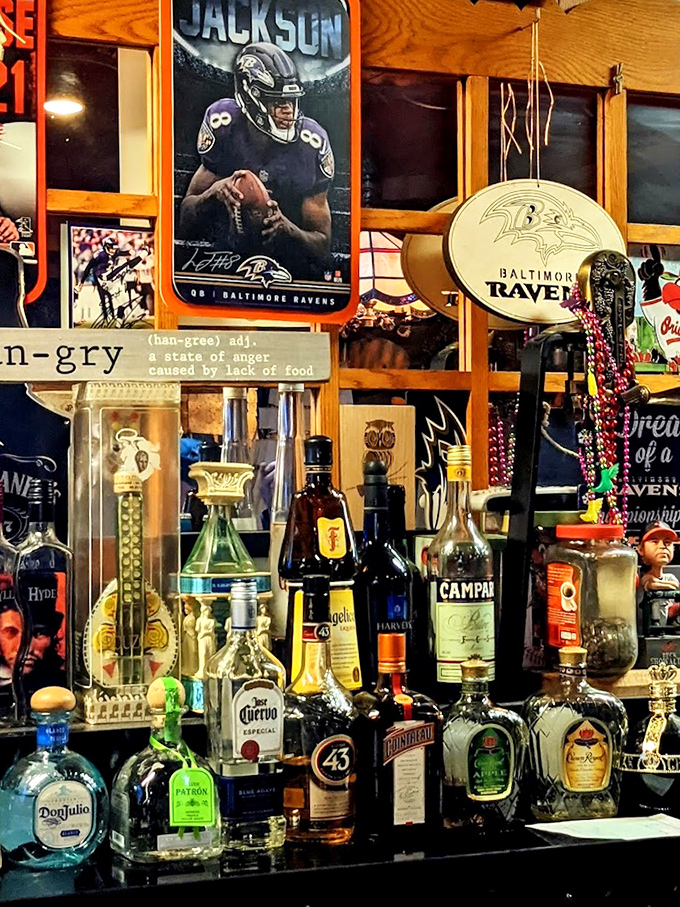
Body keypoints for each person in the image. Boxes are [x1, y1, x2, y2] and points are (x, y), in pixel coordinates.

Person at [179, 42, 334, 277]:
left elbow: (323, 245)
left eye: (291, 101)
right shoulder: (225, 125)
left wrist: (290, 230)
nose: (289, 111)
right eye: (278, 102)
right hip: (225, 256)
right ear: (251, 97)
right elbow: (185, 220)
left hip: (287, 266)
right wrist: (213, 193)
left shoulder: (311, 143)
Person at [638, 521, 680, 631]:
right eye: (655, 542)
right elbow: (651, 585)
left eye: (667, 542)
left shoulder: (670, 577)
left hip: (668, 619)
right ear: (641, 549)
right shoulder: (644, 576)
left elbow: (675, 584)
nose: (662, 547)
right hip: (650, 624)